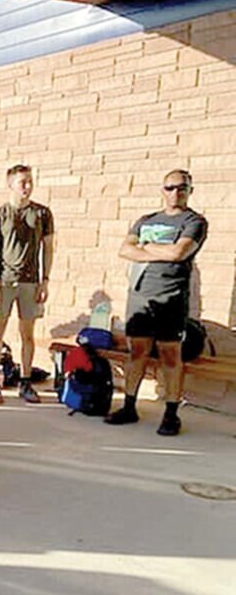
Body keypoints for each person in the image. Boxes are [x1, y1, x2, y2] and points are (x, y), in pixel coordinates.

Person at [107, 169, 207, 436]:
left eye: (182, 188)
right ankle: (129, 407)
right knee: (137, 353)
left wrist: (146, 248)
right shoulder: (146, 219)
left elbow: (179, 252)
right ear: (162, 190)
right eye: (170, 187)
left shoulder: (194, 221)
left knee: (170, 355)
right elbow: (124, 249)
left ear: (189, 191)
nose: (175, 192)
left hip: (171, 297)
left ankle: (171, 414)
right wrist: (155, 250)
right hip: (139, 295)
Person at [0, 164, 54, 404]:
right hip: (4, 282)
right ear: (10, 184)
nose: (27, 186)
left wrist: (45, 281)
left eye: (30, 181)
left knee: (28, 335)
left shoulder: (43, 214)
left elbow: (48, 249)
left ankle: (25, 382)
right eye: (22, 182)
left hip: (30, 282)